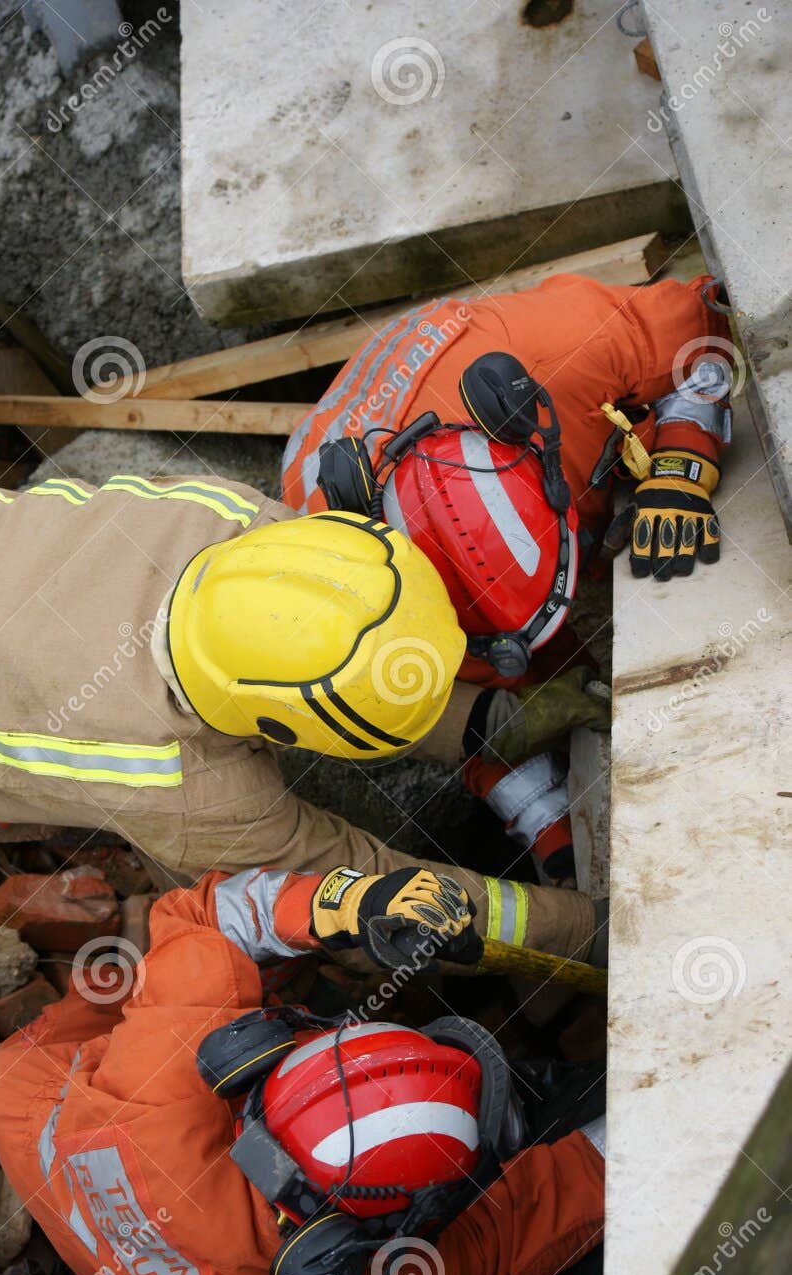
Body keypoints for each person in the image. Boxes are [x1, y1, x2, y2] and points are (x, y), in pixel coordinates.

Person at [0, 476, 602, 1196]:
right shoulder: (175, 777)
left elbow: (359, 649)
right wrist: (593, 935)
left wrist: (493, 717)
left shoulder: (262, 540)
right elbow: (366, 885)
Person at [0, 861, 605, 1275]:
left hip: (44, 1131)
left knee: (17, 1068)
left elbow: (202, 912)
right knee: (28, 1063)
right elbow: (540, 1214)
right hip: (65, 1148)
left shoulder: (164, 1072)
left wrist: (348, 906)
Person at [282, 272, 731, 875]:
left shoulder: (565, 347)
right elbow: (459, 721)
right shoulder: (356, 604)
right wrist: (549, 824)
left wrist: (680, 468)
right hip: (338, 480)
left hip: (488, 364)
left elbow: (710, 328)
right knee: (501, 685)